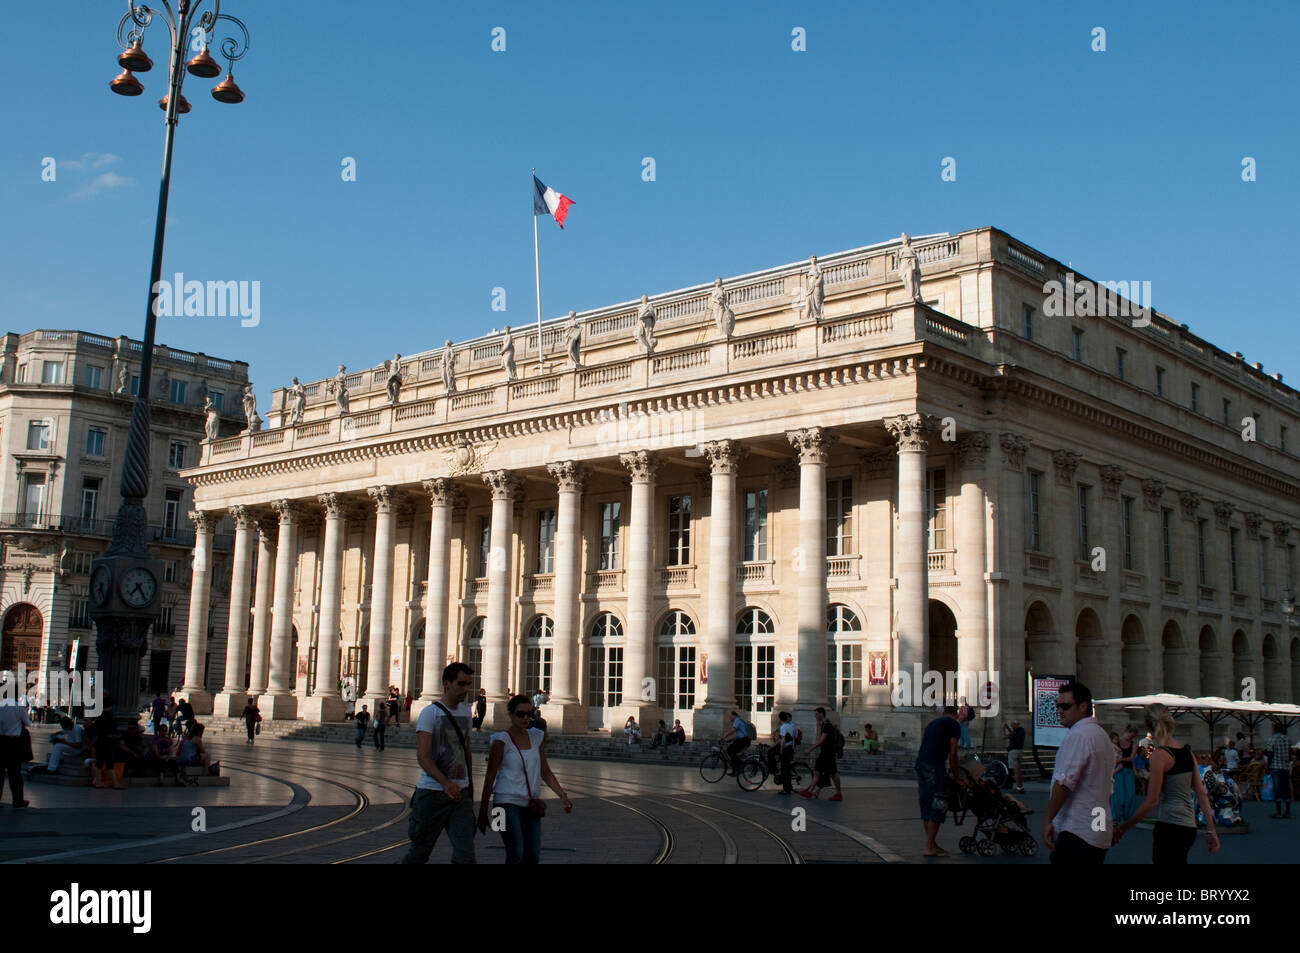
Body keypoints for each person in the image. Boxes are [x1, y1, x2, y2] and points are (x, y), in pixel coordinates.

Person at [1114, 704, 1220, 862]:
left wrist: (1123, 828)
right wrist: (1211, 830)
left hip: (1169, 825)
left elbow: (1152, 801)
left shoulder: (1159, 755)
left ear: (1148, 726)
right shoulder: (1187, 752)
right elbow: (1201, 792)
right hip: (1189, 826)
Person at [477, 695, 574, 863]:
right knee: (515, 851)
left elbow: (545, 771)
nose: (525, 718)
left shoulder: (537, 736)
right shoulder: (500, 741)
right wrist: (483, 811)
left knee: (533, 855)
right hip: (504, 804)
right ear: (511, 714)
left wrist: (562, 794)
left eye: (529, 714)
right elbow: (490, 776)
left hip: (530, 803)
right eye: (520, 714)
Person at [402, 662, 477, 864]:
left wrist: (469, 785)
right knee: (419, 853)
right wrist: (445, 782)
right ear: (446, 684)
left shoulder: (466, 713)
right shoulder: (430, 713)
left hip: (459, 794)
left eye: (468, 684)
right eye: (461, 684)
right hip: (432, 793)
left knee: (466, 856)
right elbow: (423, 756)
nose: (466, 689)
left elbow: (466, 750)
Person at [1044, 681, 1114, 865]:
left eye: (1065, 706)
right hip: (1097, 828)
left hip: (1076, 829)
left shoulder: (1079, 735)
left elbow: (1064, 782)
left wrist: (1048, 820)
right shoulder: (1101, 735)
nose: (1060, 710)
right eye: (1058, 705)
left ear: (1083, 706)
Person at [914, 706, 962, 856]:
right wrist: (957, 776)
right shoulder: (954, 725)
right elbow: (953, 753)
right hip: (935, 766)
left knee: (926, 803)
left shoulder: (932, 724)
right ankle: (929, 846)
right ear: (956, 714)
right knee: (939, 802)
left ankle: (932, 844)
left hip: (921, 764)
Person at [801, 707, 843, 801]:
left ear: (821, 714)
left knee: (832, 773)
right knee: (818, 771)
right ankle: (811, 791)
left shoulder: (827, 725)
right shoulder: (825, 724)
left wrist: (810, 749)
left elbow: (822, 741)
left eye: (816, 714)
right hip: (826, 752)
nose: (815, 716)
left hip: (828, 753)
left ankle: (838, 793)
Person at [0, 690, 32, 807]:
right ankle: (18, 800)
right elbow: (28, 723)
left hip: (1, 741)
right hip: (14, 744)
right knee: (15, 774)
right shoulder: (19, 707)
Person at [1111, 725, 1138, 825]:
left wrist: (1120, 759)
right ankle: (1115, 816)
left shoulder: (1134, 745)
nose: (1131, 738)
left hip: (1128, 770)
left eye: (1133, 737)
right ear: (1126, 732)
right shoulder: (1116, 742)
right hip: (1118, 770)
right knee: (1118, 794)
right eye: (1130, 736)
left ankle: (1129, 816)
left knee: (1130, 794)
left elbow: (1131, 758)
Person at [1265, 721, 1293, 819]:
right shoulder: (1288, 739)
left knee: (1277, 789)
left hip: (1275, 766)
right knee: (1286, 789)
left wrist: (1267, 767)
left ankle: (1279, 812)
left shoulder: (1272, 739)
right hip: (1285, 767)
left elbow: (1270, 754)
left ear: (1274, 729)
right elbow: (1290, 753)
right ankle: (1287, 811)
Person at [772, 711, 798, 794]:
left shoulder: (783, 727)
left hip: (785, 749)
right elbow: (795, 736)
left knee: (784, 770)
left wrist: (781, 751)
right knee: (787, 770)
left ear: (780, 719)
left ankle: (786, 789)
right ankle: (788, 788)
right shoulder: (792, 726)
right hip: (791, 748)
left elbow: (783, 740)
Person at [1003, 719, 1026, 793]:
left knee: (1015, 771)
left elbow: (1004, 737)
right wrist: (1008, 728)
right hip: (1020, 751)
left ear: (1015, 725)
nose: (1011, 726)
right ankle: (1020, 786)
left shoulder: (1015, 732)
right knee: (1019, 770)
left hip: (1014, 752)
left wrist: (1003, 729)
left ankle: (1019, 787)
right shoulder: (1022, 731)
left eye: (1012, 725)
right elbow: (1012, 734)